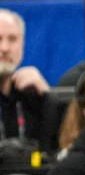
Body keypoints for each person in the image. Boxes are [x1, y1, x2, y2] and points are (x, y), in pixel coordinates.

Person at [0, 8, 50, 146]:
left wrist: (47, 96)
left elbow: (55, 147)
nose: (4, 48)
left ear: (22, 45)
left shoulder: (32, 94)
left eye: (12, 39)